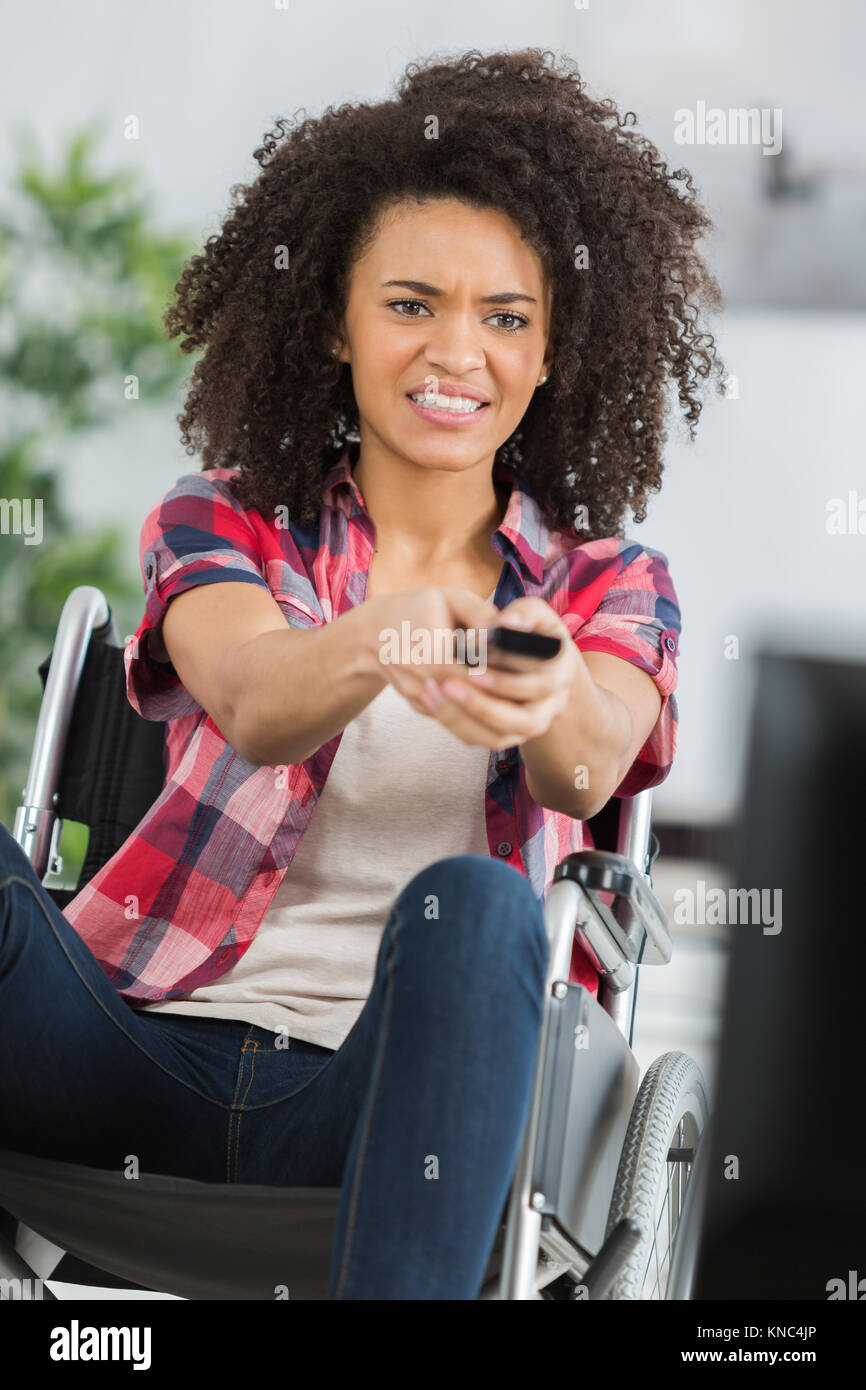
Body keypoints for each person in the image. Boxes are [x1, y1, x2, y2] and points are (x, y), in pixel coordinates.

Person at [0, 48, 722, 1299]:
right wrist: (397, 631)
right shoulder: (226, 521)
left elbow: (595, 753)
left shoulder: (609, 584)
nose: (457, 352)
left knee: (478, 904)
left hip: (378, 1107)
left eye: (505, 318)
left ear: (550, 353)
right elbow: (265, 702)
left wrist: (542, 686)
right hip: (132, 1061)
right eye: (409, 304)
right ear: (336, 319)